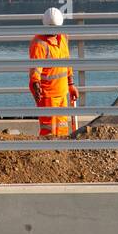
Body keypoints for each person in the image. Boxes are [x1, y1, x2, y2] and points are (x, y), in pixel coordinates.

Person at [29, 7, 77, 137]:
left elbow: (67, 63)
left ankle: (61, 152)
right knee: (48, 131)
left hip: (62, 93)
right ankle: (47, 153)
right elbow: (35, 71)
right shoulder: (39, 44)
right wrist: (36, 84)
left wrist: (71, 85)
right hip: (47, 95)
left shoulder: (63, 39)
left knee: (62, 129)